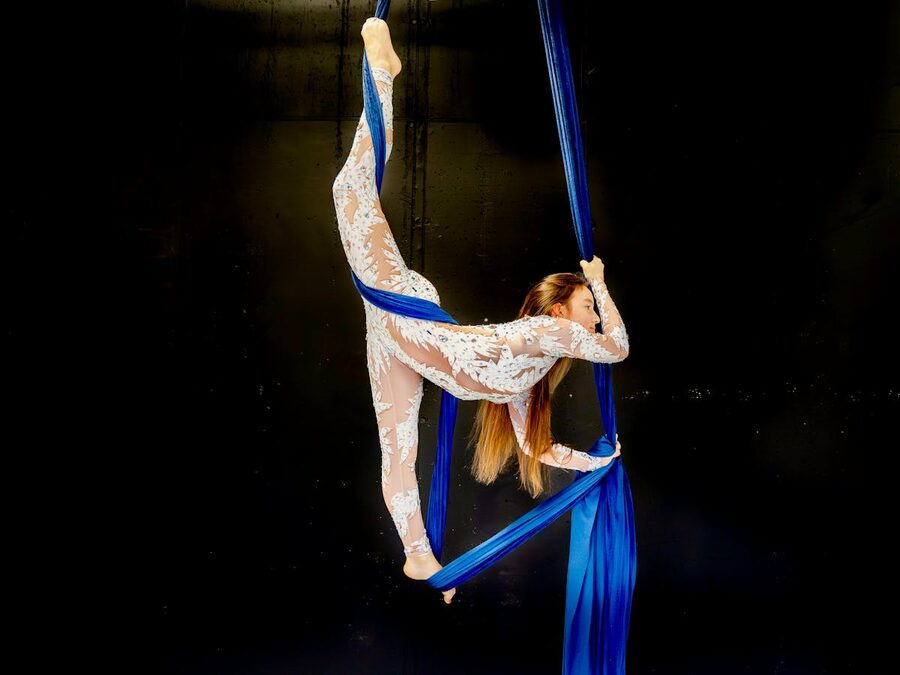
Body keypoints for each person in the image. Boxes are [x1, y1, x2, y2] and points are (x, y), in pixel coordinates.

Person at [331, 17, 630, 605]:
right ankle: (382, 75)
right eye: (587, 307)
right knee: (349, 193)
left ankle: (420, 556)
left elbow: (537, 448)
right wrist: (599, 282)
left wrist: (595, 465)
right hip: (406, 314)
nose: (594, 317)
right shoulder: (547, 333)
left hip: (401, 344)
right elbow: (616, 349)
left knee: (397, 455)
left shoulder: (531, 378)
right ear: (559, 307)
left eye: (594, 308)